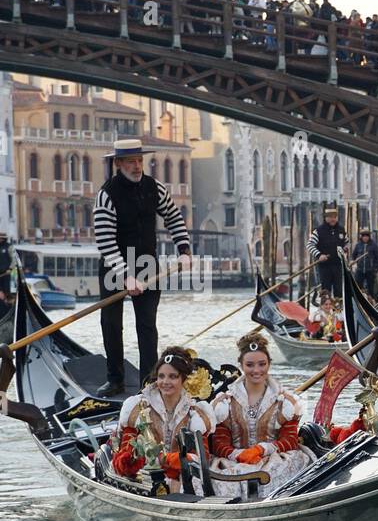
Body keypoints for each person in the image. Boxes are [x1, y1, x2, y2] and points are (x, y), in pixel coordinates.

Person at [93, 139, 193, 397]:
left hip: (148, 264)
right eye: (131, 162)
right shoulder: (106, 195)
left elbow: (173, 216)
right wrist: (125, 275)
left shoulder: (154, 188)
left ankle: (149, 382)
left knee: (147, 325)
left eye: (140, 161)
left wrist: (183, 250)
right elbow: (105, 241)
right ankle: (115, 379)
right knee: (111, 323)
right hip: (114, 266)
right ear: (119, 163)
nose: (137, 166)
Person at [210, 331, 317, 499]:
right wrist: (237, 454)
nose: (256, 370)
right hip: (234, 460)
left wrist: (262, 448)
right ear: (241, 365)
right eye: (250, 365)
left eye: (262, 364)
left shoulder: (285, 401)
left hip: (275, 459)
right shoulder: (226, 402)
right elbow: (218, 441)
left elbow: (290, 440)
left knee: (272, 472)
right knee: (234, 474)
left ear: (269, 364)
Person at [110, 347, 215, 492]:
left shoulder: (195, 412)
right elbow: (127, 452)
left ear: (183, 379)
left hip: (182, 477)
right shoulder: (138, 407)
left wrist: (175, 467)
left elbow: (202, 456)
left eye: (173, 376)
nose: (165, 381)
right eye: (161, 376)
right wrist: (152, 460)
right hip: (143, 476)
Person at [307, 204, 348, 298]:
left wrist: (346, 248)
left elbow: (347, 242)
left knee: (339, 289)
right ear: (326, 218)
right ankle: (326, 310)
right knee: (326, 290)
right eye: (330, 217)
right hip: (325, 266)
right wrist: (319, 255)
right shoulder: (319, 231)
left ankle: (338, 310)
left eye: (335, 217)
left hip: (338, 265)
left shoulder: (341, 230)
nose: (333, 219)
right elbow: (310, 245)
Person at [351, 228, 378, 297]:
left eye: (367, 236)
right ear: (361, 237)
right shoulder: (358, 245)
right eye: (363, 236)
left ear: (369, 236)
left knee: (371, 288)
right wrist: (352, 261)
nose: (365, 237)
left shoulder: (373, 245)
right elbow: (353, 255)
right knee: (358, 287)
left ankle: (371, 300)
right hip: (360, 269)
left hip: (370, 270)